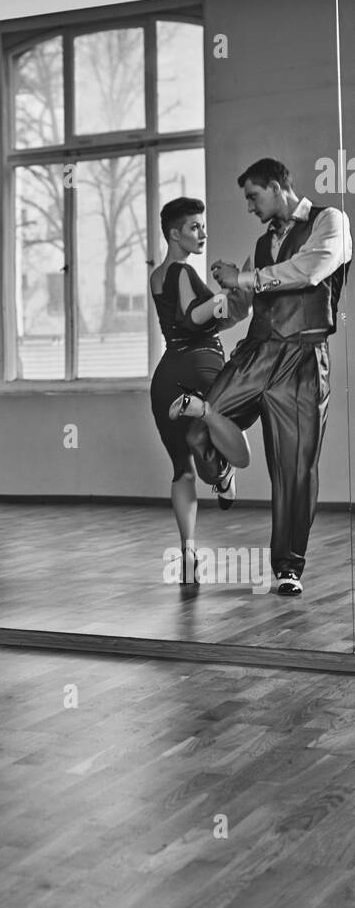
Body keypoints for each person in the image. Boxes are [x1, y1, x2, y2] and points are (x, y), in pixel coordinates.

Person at [172, 157, 352, 597]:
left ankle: (288, 568)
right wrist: (220, 298)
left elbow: (311, 269)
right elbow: (240, 305)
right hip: (256, 354)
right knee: (198, 431)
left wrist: (247, 276)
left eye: (253, 196)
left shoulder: (331, 221)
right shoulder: (261, 243)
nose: (250, 207)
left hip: (303, 361)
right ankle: (223, 473)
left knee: (293, 470)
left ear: (276, 187)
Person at [149, 197, 249, 584]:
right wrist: (231, 292)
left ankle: (188, 553)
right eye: (194, 227)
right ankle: (223, 476)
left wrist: (220, 305)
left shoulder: (157, 276)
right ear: (175, 233)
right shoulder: (183, 272)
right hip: (203, 366)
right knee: (227, 431)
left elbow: (182, 320)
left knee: (181, 470)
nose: (202, 233)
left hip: (166, 376)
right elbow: (194, 318)